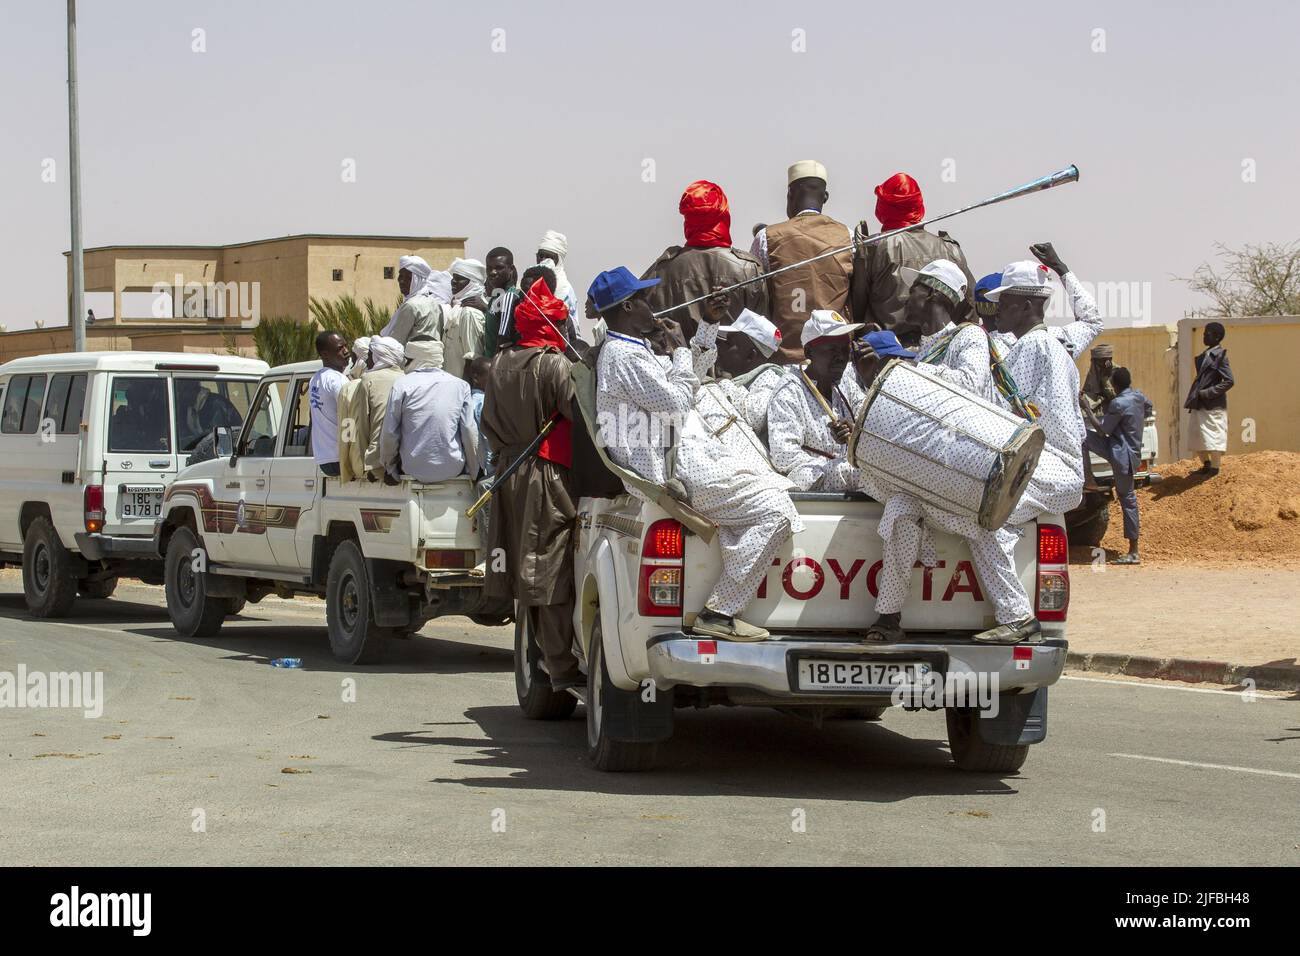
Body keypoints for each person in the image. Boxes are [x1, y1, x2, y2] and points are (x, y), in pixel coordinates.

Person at [592, 266, 800, 642]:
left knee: (774, 488)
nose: (652, 306)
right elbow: (675, 403)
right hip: (674, 468)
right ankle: (720, 612)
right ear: (627, 307)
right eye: (644, 299)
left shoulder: (634, 351)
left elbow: (692, 381)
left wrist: (707, 324)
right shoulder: (624, 356)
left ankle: (727, 593)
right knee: (776, 510)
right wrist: (680, 353)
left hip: (685, 457)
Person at [481, 276, 583, 689]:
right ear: (553, 325)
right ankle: (560, 666)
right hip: (547, 475)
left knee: (531, 570)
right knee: (548, 572)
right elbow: (580, 417)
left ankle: (550, 659)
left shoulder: (500, 362)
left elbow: (488, 424)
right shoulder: (554, 364)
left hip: (510, 472)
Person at [986, 245, 1101, 526]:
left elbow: (999, 415)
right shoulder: (1057, 341)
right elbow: (1092, 320)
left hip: (1044, 471)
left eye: (1004, 302)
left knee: (970, 509)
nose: (997, 309)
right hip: (1061, 472)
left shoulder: (1029, 345)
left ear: (1027, 306)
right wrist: (1062, 270)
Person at [751, 160, 854, 362]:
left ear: (790, 194)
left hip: (784, 360)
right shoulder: (848, 236)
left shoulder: (767, 237)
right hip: (837, 362)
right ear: (825, 197)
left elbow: (756, 297)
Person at [641, 180, 767, 339]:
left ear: (688, 220)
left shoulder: (660, 271)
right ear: (724, 217)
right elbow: (764, 332)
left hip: (679, 355)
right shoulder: (748, 268)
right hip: (739, 357)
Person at [851, 173, 973, 331]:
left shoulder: (873, 247)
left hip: (886, 345)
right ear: (919, 205)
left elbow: (856, 309)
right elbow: (970, 307)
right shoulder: (950, 249)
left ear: (882, 207)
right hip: (942, 342)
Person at [766, 310, 865, 491]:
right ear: (809, 352)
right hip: (815, 478)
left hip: (850, 472)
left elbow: (872, 431)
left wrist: (855, 433)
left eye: (845, 348)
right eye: (832, 349)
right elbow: (784, 456)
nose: (841, 357)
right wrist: (835, 468)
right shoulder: (790, 390)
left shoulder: (847, 385)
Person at [379, 339, 478, 483]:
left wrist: (390, 468)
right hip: (453, 468)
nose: (405, 364)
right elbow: (468, 430)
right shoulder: (461, 386)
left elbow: (389, 433)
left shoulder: (401, 385)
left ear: (418, 359)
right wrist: (474, 471)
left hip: (411, 469)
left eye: (408, 360)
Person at [1086, 367, 1150, 564]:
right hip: (1130, 453)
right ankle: (1133, 550)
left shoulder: (1118, 403)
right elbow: (1148, 408)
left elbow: (1103, 430)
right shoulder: (1139, 397)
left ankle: (1133, 552)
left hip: (1120, 455)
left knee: (1128, 499)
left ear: (1114, 385)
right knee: (1128, 499)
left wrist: (1087, 409)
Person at [343, 336, 405, 482]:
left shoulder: (368, 379)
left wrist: (367, 465)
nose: (367, 360)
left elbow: (362, 427)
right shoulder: (406, 377)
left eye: (370, 355)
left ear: (379, 356)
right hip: (403, 460)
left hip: (378, 461)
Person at [1184, 321, 1234, 476]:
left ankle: (1215, 468)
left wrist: (1208, 393)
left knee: (1214, 437)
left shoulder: (1220, 356)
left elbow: (1229, 381)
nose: (1204, 336)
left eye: (1208, 334)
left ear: (1217, 337)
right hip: (1199, 403)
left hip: (1213, 405)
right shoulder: (1205, 356)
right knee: (1196, 436)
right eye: (1204, 333)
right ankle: (1206, 464)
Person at [381, 255, 451, 345]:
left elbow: (395, 341)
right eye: (400, 276)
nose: (401, 281)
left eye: (408, 278)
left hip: (412, 353)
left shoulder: (411, 305)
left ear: (418, 280)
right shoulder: (433, 301)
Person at [309, 330, 351, 477]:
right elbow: (349, 417)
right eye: (340, 348)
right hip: (341, 458)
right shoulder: (337, 379)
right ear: (325, 354)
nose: (346, 351)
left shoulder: (315, 379)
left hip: (324, 460)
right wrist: (353, 452)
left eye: (345, 346)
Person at [443, 258, 488, 379]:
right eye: (454, 278)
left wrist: (466, 388)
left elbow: (472, 358)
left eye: (459, 279)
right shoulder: (458, 307)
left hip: (461, 384)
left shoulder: (469, 313)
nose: (453, 282)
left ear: (472, 283)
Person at [536, 230, 578, 325]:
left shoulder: (564, 289)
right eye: (541, 256)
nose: (543, 260)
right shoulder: (531, 283)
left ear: (558, 261)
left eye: (549, 257)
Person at [483, 246, 519, 358]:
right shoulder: (495, 297)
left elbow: (503, 339)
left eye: (499, 268)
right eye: (489, 268)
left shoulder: (510, 297)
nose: (492, 272)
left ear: (511, 269)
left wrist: (493, 365)